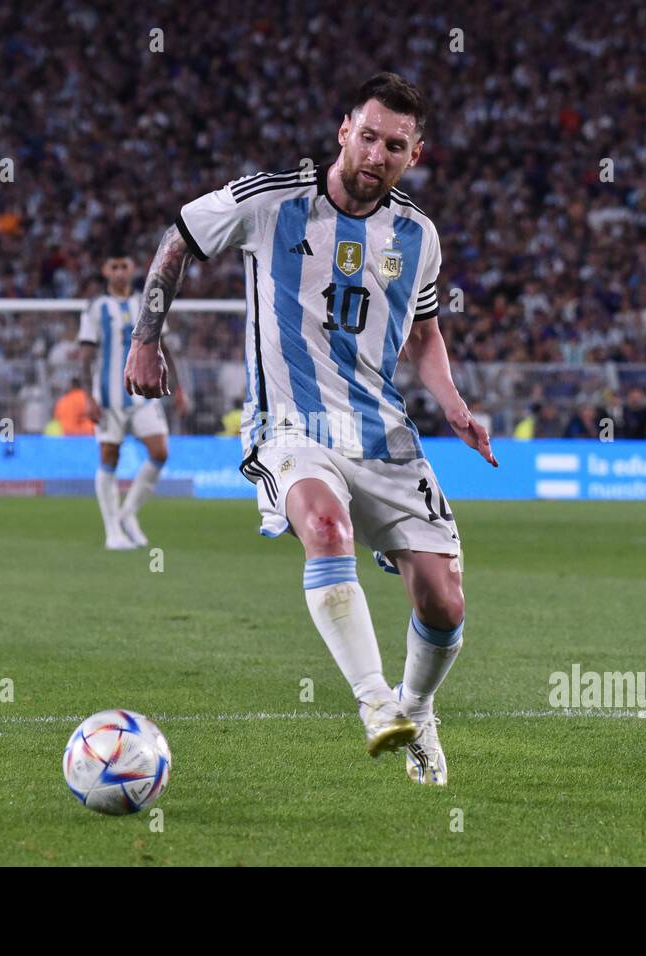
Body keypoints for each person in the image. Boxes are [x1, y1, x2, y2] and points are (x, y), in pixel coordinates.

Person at [123, 72, 497, 785]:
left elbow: (423, 333)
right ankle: (374, 703)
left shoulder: (417, 235)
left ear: (413, 154)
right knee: (325, 529)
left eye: (396, 144)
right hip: (289, 423)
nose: (377, 153)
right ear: (342, 131)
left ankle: (416, 709)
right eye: (368, 136)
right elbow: (179, 238)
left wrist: (452, 403)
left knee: (444, 602)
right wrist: (147, 336)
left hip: (382, 432)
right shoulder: (270, 201)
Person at [79, 244, 187, 550]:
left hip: (143, 396)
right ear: (105, 271)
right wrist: (87, 396)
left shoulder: (149, 300)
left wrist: (179, 388)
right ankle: (112, 531)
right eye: (113, 267)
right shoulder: (95, 307)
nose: (119, 272)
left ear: (133, 269)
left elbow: (164, 347)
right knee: (109, 457)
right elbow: (85, 356)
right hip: (108, 398)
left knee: (160, 451)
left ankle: (128, 514)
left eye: (124, 266)